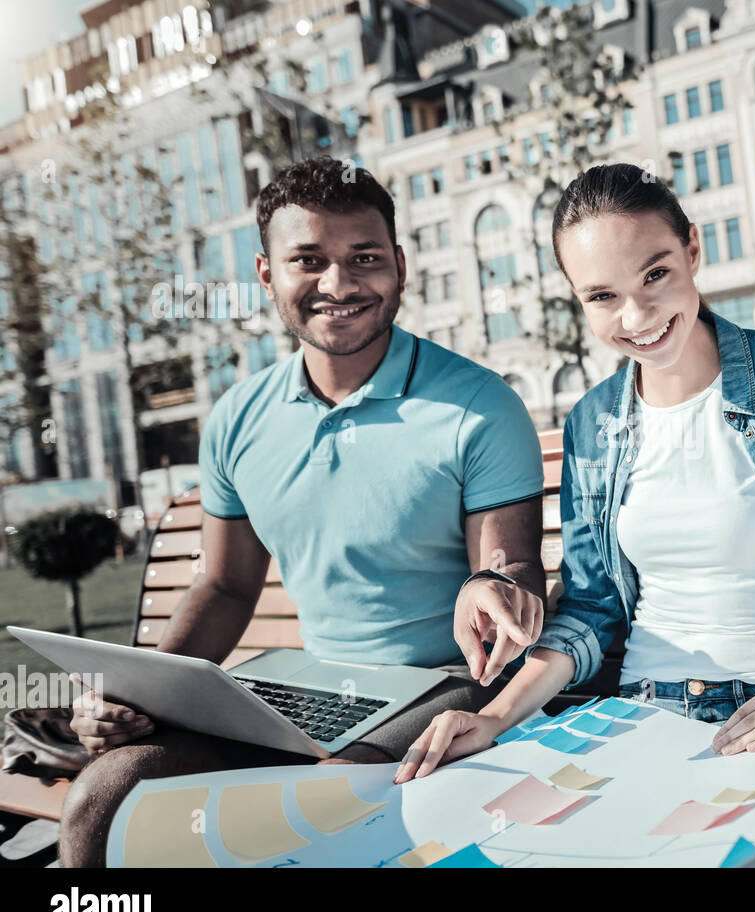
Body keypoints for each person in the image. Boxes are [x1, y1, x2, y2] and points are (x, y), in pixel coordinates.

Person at [60, 157, 547, 866]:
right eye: (308, 260)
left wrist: (497, 589)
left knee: (313, 812)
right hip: (302, 694)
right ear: (266, 275)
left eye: (365, 258)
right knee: (101, 798)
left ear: (401, 266)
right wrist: (143, 692)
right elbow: (225, 588)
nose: (340, 284)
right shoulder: (237, 419)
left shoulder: (477, 406)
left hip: (444, 685)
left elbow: (512, 571)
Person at [393, 163, 755, 781]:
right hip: (643, 713)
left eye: (656, 274)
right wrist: (495, 717)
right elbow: (591, 610)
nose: (638, 315)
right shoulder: (591, 423)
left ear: (692, 248)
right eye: (602, 296)